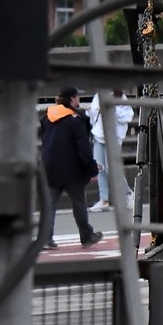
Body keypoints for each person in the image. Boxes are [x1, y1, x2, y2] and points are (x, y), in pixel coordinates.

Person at [41, 87, 103, 250]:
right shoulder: (76, 120)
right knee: (78, 202)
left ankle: (46, 239)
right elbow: (83, 148)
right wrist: (91, 169)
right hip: (72, 169)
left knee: (49, 204)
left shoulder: (47, 117)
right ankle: (86, 235)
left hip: (49, 166)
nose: (78, 101)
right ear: (72, 99)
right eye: (77, 98)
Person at [86, 88, 134, 212]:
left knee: (111, 169)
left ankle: (128, 194)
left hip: (113, 137)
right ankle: (104, 200)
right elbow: (93, 113)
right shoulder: (99, 94)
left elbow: (128, 116)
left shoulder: (121, 97)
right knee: (100, 167)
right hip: (99, 134)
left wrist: (113, 108)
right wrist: (91, 111)